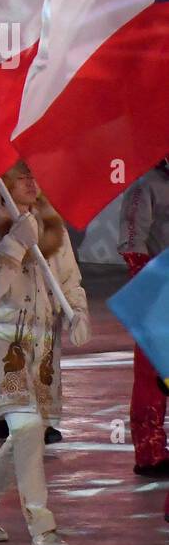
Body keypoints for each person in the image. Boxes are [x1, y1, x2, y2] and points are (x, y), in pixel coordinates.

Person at [0, 163, 89, 545]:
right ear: (2, 185)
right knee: (28, 425)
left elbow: (69, 279)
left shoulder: (53, 228)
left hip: (44, 343)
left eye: (36, 176)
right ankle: (41, 524)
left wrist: (78, 311)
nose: (33, 183)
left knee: (29, 430)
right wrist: (15, 244)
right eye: (23, 177)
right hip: (5, 343)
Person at [118, 156, 169, 478]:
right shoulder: (145, 182)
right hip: (157, 285)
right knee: (153, 374)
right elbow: (132, 241)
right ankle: (149, 452)